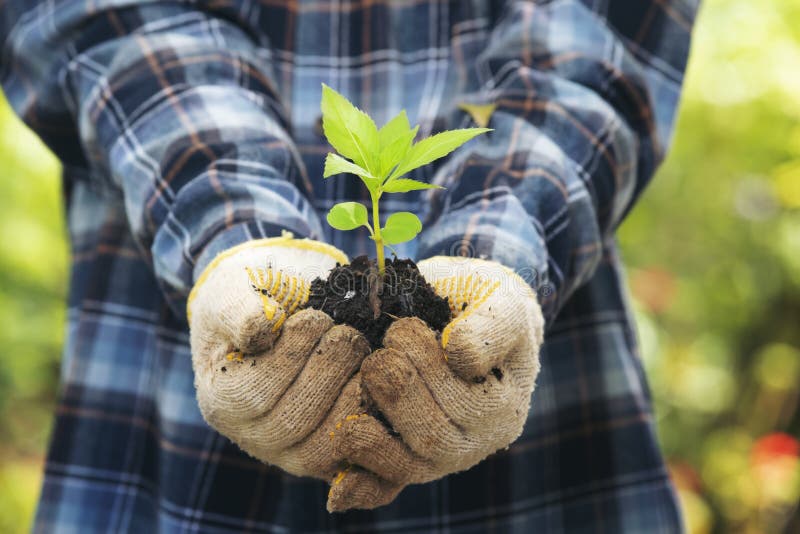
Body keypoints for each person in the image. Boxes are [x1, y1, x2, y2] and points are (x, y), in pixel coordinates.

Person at [0, 0, 698, 531]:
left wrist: (501, 251)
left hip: (538, 404)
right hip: (170, 371)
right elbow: (95, 19)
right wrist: (232, 234)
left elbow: (598, 41)